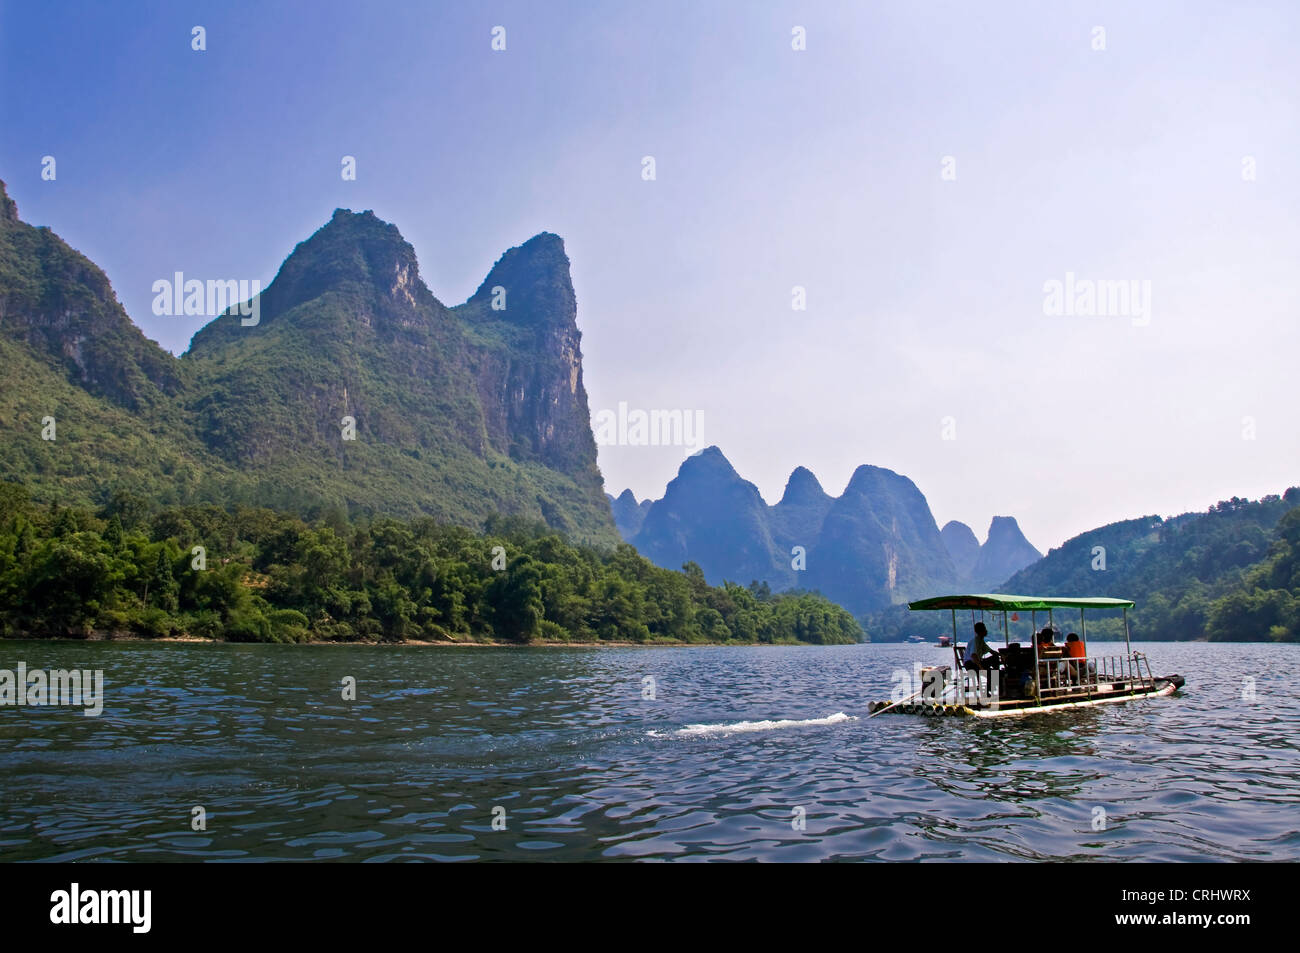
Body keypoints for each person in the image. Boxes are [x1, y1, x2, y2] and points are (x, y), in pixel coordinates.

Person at [963, 621, 1001, 698]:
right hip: (971, 664)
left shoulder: (981, 641)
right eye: (985, 629)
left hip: (976, 662)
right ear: (981, 631)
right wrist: (981, 668)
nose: (986, 631)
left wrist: (1002, 655)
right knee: (991, 673)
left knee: (995, 658)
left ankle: (993, 675)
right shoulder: (976, 641)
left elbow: (992, 652)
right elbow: (973, 656)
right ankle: (987, 690)